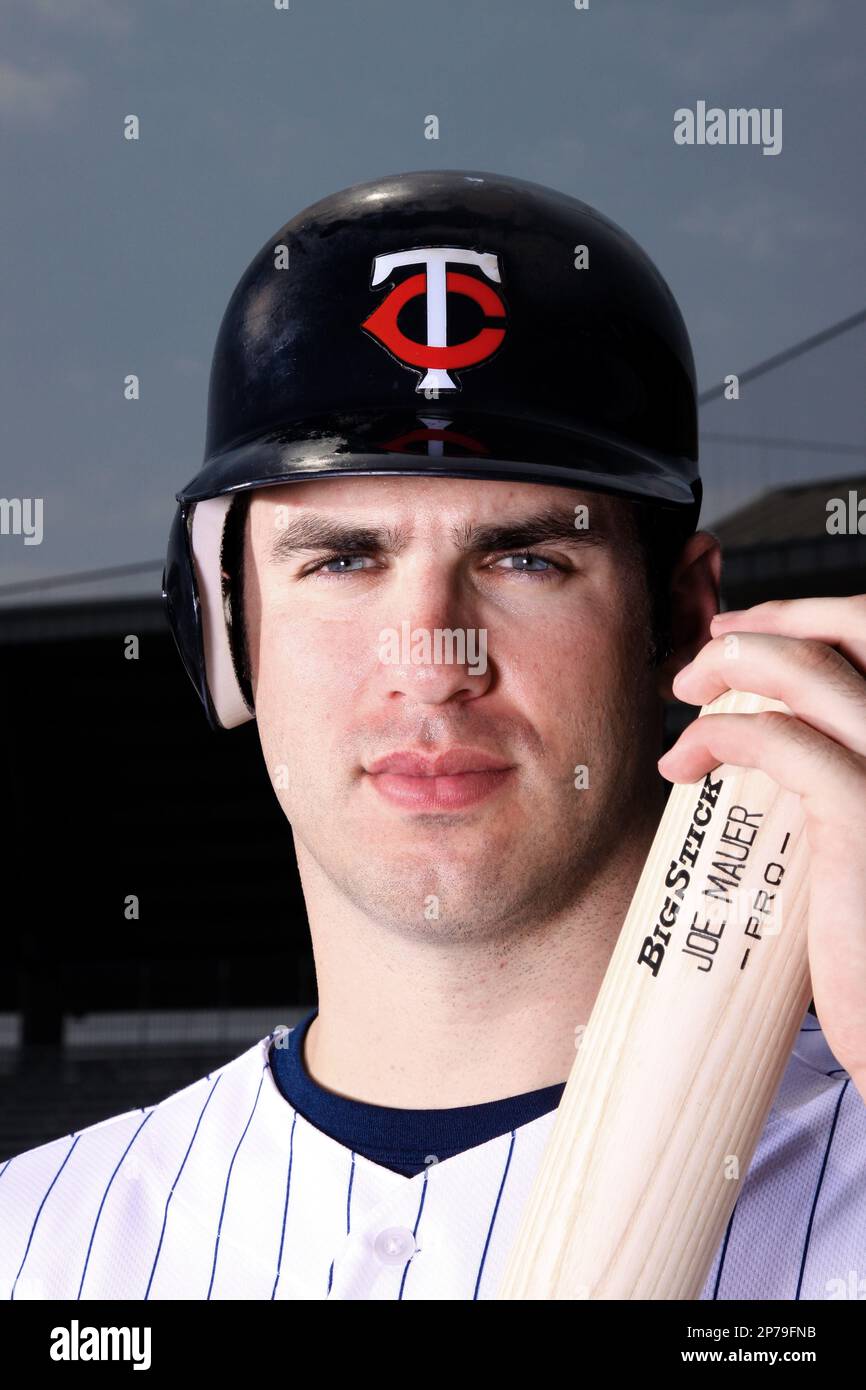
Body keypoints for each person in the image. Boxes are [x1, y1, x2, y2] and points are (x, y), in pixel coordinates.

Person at [2, 171, 864, 1301]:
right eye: (342, 558)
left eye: (525, 558)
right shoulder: (37, 1240)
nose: (429, 660)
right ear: (220, 630)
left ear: (685, 620)